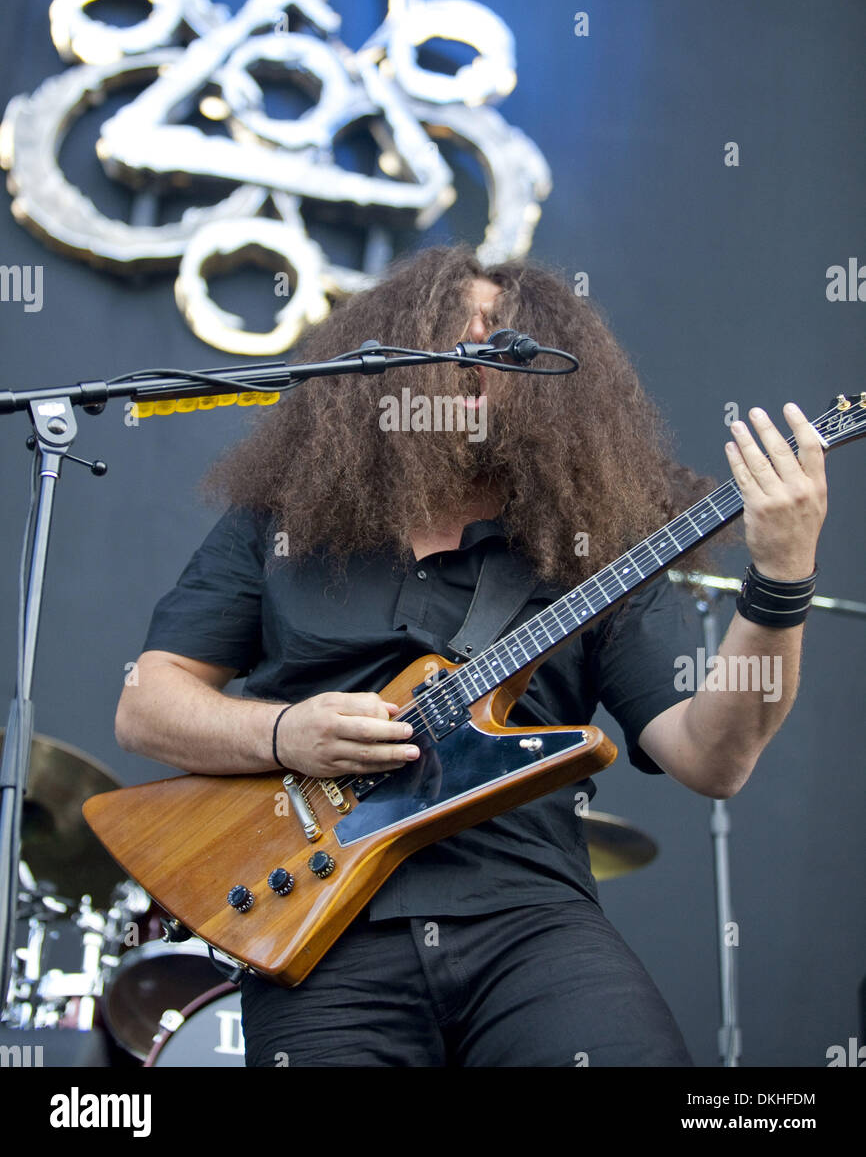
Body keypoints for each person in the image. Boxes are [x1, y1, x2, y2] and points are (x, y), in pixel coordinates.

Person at [115, 245, 828, 1067]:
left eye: (505, 343)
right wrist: (284, 733)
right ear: (388, 364)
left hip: (527, 915)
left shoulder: (595, 550)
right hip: (316, 929)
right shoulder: (279, 522)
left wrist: (780, 579)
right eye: (456, 336)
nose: (477, 356)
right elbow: (146, 704)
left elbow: (713, 757)